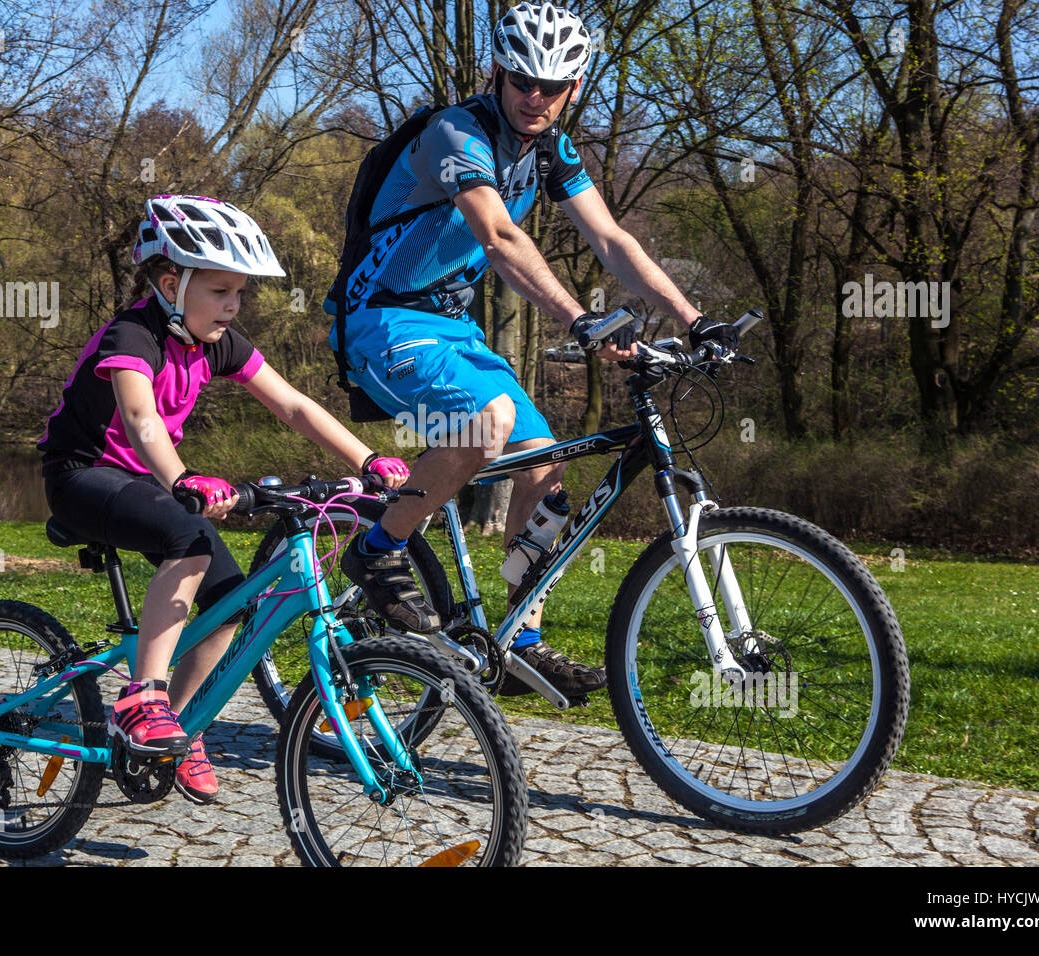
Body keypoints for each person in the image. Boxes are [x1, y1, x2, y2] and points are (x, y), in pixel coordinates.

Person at [328, 2, 739, 698]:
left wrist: (694, 317)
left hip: (452, 327)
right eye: (522, 80)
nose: (534, 97)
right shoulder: (456, 131)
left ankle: (519, 640)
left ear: (574, 87)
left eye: (552, 86)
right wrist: (581, 319)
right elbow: (498, 236)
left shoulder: (553, 150)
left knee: (544, 467)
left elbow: (613, 241)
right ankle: (377, 549)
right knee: (486, 425)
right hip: (382, 321)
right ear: (499, 72)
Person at [38, 195, 410, 803]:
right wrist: (184, 478)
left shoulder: (217, 342)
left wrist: (364, 460)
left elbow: (291, 403)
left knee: (230, 602)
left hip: (150, 484)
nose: (233, 305)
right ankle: (143, 699)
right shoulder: (134, 334)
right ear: (169, 283)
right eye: (219, 291)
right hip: (83, 476)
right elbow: (140, 419)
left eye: (240, 292)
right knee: (186, 541)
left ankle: (175, 727)